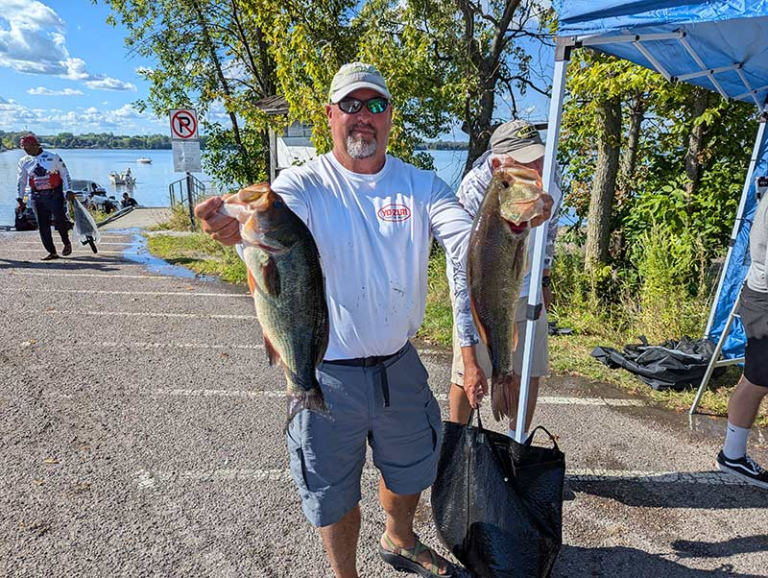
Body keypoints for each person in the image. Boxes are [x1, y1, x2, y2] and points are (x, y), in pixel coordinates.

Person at [195, 62, 552, 578]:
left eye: (376, 105)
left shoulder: (421, 185)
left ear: (390, 117)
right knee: (332, 491)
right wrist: (232, 226)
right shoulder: (302, 183)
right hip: (325, 368)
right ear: (329, 114)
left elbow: (463, 240)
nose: (364, 117)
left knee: (411, 470)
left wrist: (509, 221)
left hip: (398, 365)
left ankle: (399, 537)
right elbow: (269, 228)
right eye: (351, 105)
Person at [447, 119, 563, 440]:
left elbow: (549, 235)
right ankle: (457, 447)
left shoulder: (549, 177)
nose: (536, 165)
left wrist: (544, 280)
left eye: (537, 156)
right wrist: (470, 359)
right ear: (499, 163)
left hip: (525, 289)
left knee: (530, 369)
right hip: (483, 292)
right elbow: (460, 275)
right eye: (524, 160)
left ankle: (516, 445)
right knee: (465, 375)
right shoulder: (473, 192)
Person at [717, 191, 768, 489]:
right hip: (764, 296)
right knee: (758, 379)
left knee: (757, 378)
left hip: (760, 293)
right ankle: (732, 455)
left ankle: (733, 455)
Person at [16, 134, 74, 260]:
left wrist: (68, 190)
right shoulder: (24, 161)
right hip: (37, 196)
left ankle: (66, 242)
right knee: (42, 225)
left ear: (35, 145)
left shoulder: (53, 157)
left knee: (59, 220)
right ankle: (52, 252)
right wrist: (20, 199)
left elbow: (64, 174)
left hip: (54, 194)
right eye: (23, 147)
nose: (25, 149)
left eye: (27, 146)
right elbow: (21, 181)